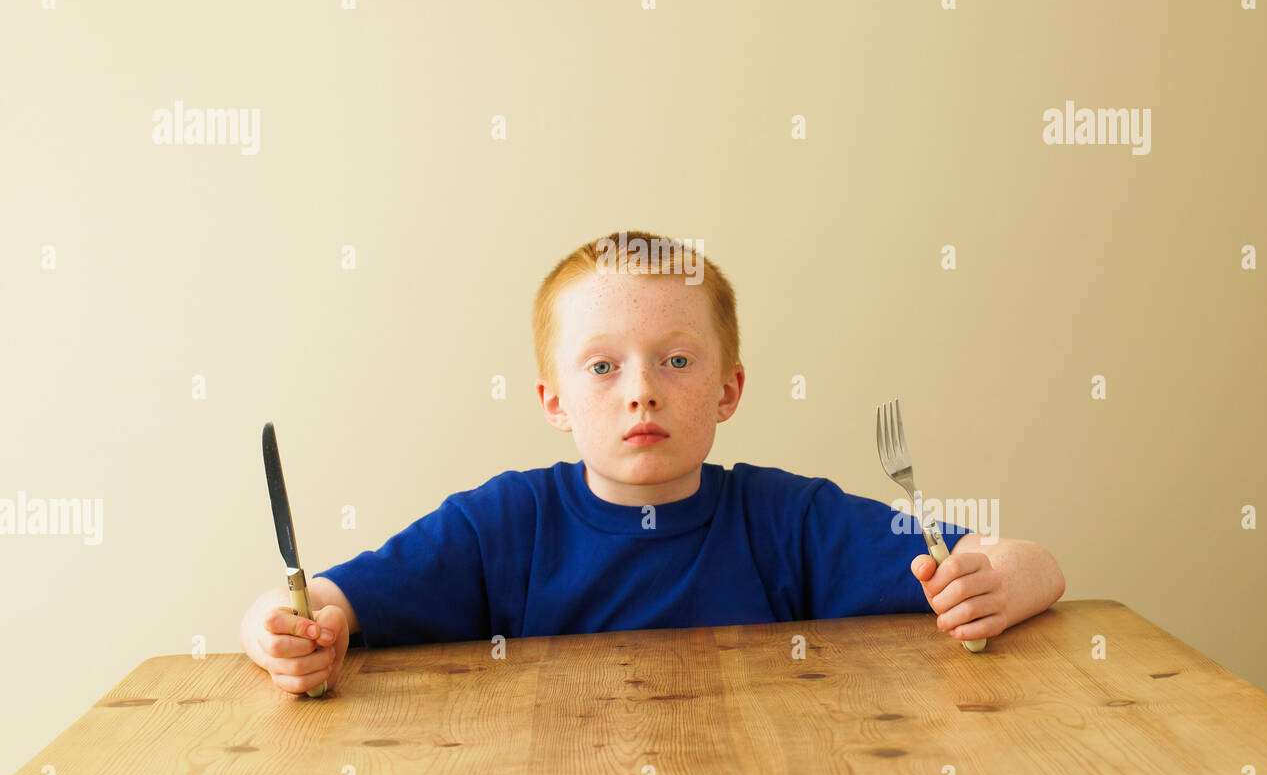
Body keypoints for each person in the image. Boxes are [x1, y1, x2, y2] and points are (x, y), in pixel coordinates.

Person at [240, 230, 1065, 695]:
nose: (642, 393)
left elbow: (1032, 564)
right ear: (553, 400)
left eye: (676, 361)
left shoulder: (790, 520)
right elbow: (326, 600)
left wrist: (997, 585)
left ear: (728, 389)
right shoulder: (501, 525)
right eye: (603, 367)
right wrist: (289, 634)